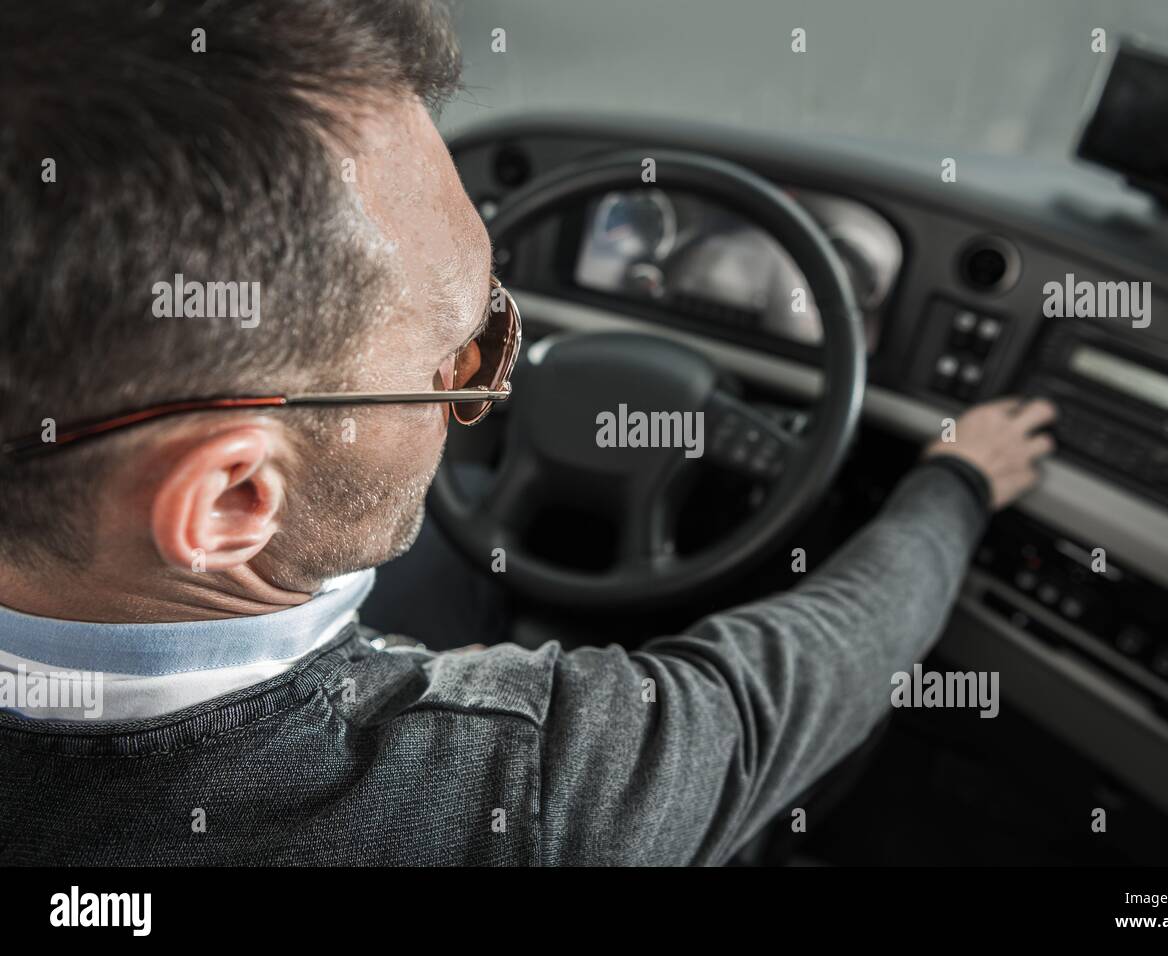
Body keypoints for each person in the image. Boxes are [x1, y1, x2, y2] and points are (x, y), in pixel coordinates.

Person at [0, 0, 1054, 865]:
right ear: (234, 496)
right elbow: (782, 690)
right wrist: (957, 482)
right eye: (464, 354)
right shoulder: (521, 799)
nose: (506, 387)